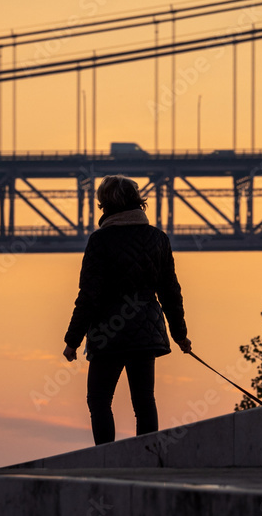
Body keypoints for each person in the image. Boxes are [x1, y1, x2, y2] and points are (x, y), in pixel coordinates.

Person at [63, 175, 192, 445]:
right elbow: (170, 291)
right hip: (146, 331)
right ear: (137, 202)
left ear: (105, 205)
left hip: (109, 333)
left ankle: (106, 459)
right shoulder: (158, 238)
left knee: (99, 400)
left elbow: (89, 295)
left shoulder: (100, 241)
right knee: (144, 401)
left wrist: (72, 340)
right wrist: (180, 335)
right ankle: (146, 461)